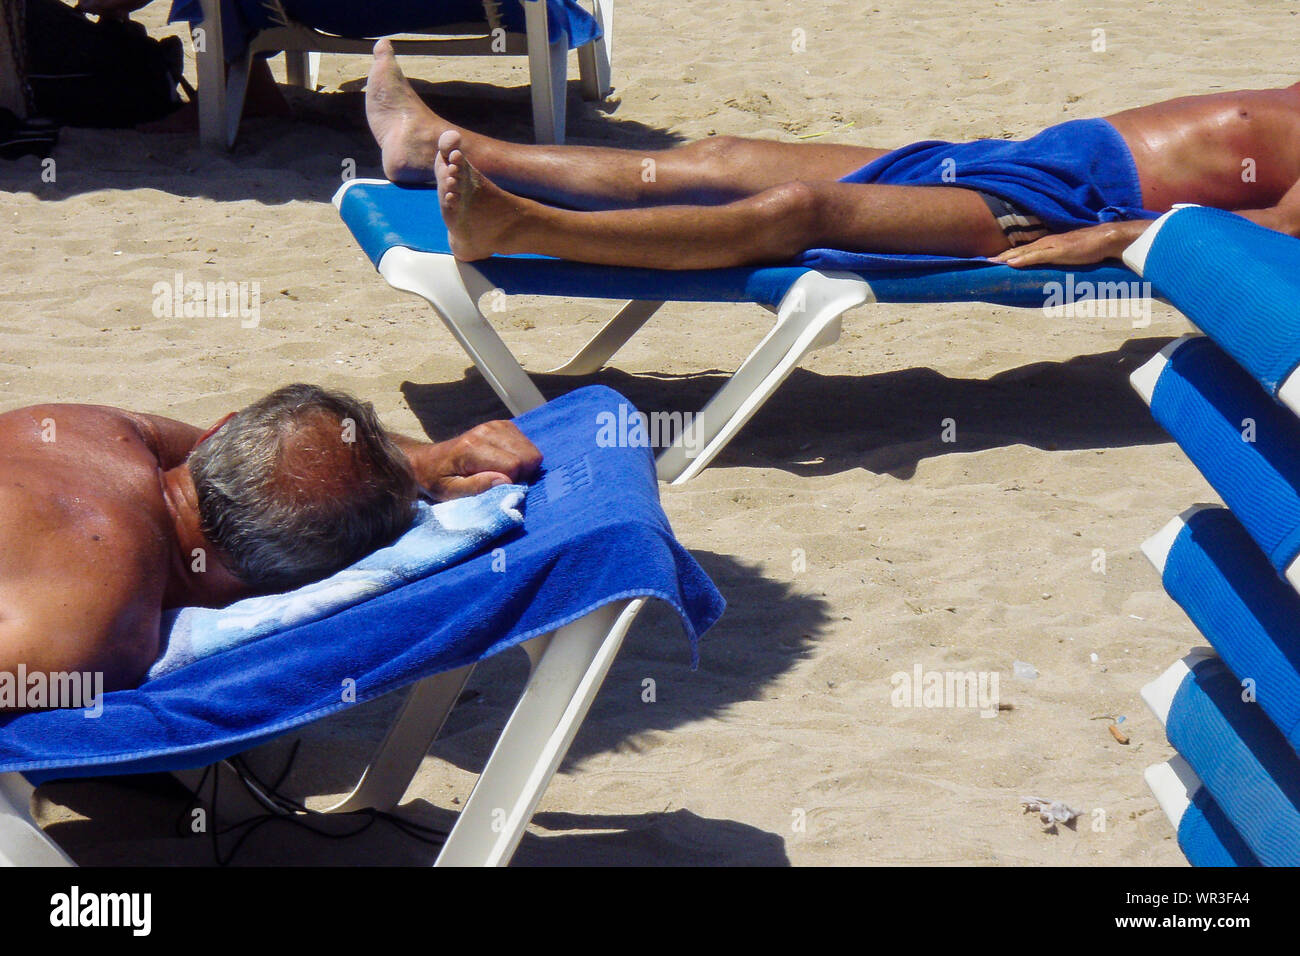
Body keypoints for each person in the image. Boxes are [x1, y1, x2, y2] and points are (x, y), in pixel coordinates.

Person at [364, 38, 1300, 271]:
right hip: (1042, 157)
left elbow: (1278, 234)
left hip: (1065, 209)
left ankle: (517, 226)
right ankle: (436, 143)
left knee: (798, 215)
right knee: (720, 154)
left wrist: (1121, 238)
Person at [0, 384, 541, 701]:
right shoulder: (99, 629)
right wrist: (424, 460)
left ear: (216, 431)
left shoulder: (88, 430)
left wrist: (419, 462)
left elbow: (262, 446)